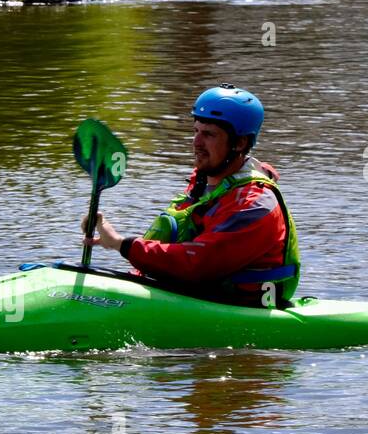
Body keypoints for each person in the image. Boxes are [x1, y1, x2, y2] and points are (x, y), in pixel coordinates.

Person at [82, 84, 301, 307]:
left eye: (209, 134)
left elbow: (197, 264)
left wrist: (122, 244)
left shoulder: (255, 205)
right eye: (196, 131)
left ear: (240, 143)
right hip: (200, 295)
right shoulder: (206, 181)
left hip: (247, 304)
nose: (196, 143)